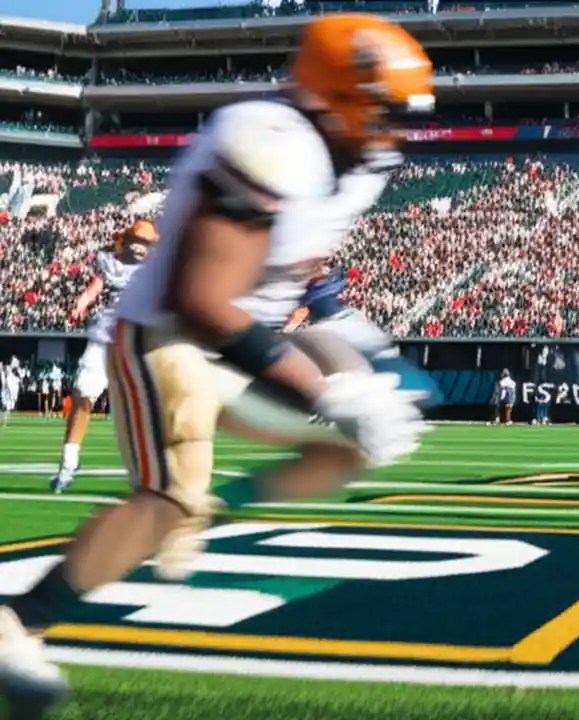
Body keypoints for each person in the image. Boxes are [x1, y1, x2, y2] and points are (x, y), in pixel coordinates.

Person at [0, 14, 434, 712]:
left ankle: (201, 509)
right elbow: (198, 299)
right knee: (165, 493)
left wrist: (361, 362)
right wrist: (327, 389)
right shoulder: (269, 142)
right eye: (381, 114)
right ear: (338, 96)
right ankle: (20, 622)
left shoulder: (358, 164)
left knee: (348, 449)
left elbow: (300, 275)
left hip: (241, 342)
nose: (392, 133)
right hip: (165, 334)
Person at [50, 219, 158, 493]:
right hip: (105, 336)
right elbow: (93, 290)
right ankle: (68, 463)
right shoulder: (110, 264)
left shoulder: (156, 272)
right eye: (136, 240)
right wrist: (80, 305)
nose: (139, 247)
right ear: (126, 240)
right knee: (82, 396)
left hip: (138, 340)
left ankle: (151, 471)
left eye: (145, 243)